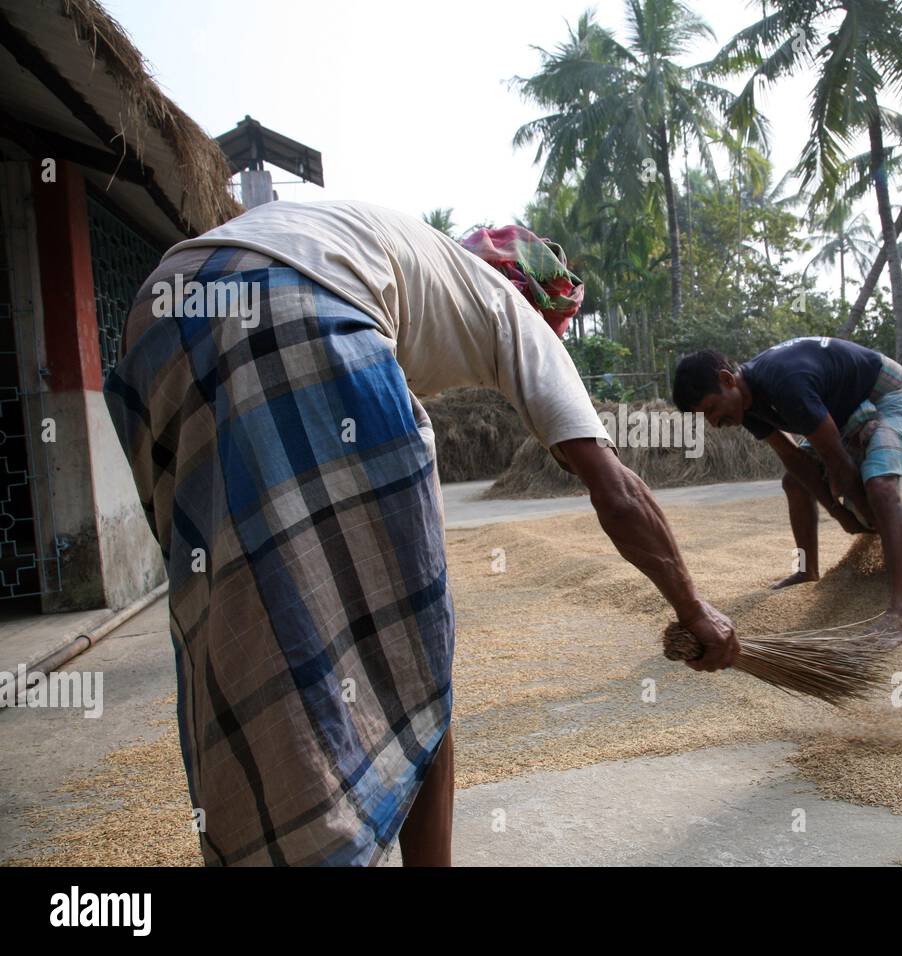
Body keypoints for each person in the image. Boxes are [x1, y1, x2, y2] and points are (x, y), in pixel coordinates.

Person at [105, 200, 738, 867]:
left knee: (234, 618)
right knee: (417, 653)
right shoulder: (509, 309)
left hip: (157, 317)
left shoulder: (402, 262)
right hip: (301, 305)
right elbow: (615, 487)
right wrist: (694, 608)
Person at [671, 336, 902, 638]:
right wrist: (839, 513)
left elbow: (837, 462)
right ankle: (807, 569)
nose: (713, 423)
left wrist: (862, 515)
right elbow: (793, 458)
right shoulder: (745, 405)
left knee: (879, 488)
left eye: (711, 409)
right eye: (706, 418)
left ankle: (901, 609)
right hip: (839, 412)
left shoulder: (785, 383)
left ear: (727, 380)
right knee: (794, 482)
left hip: (882, 392)